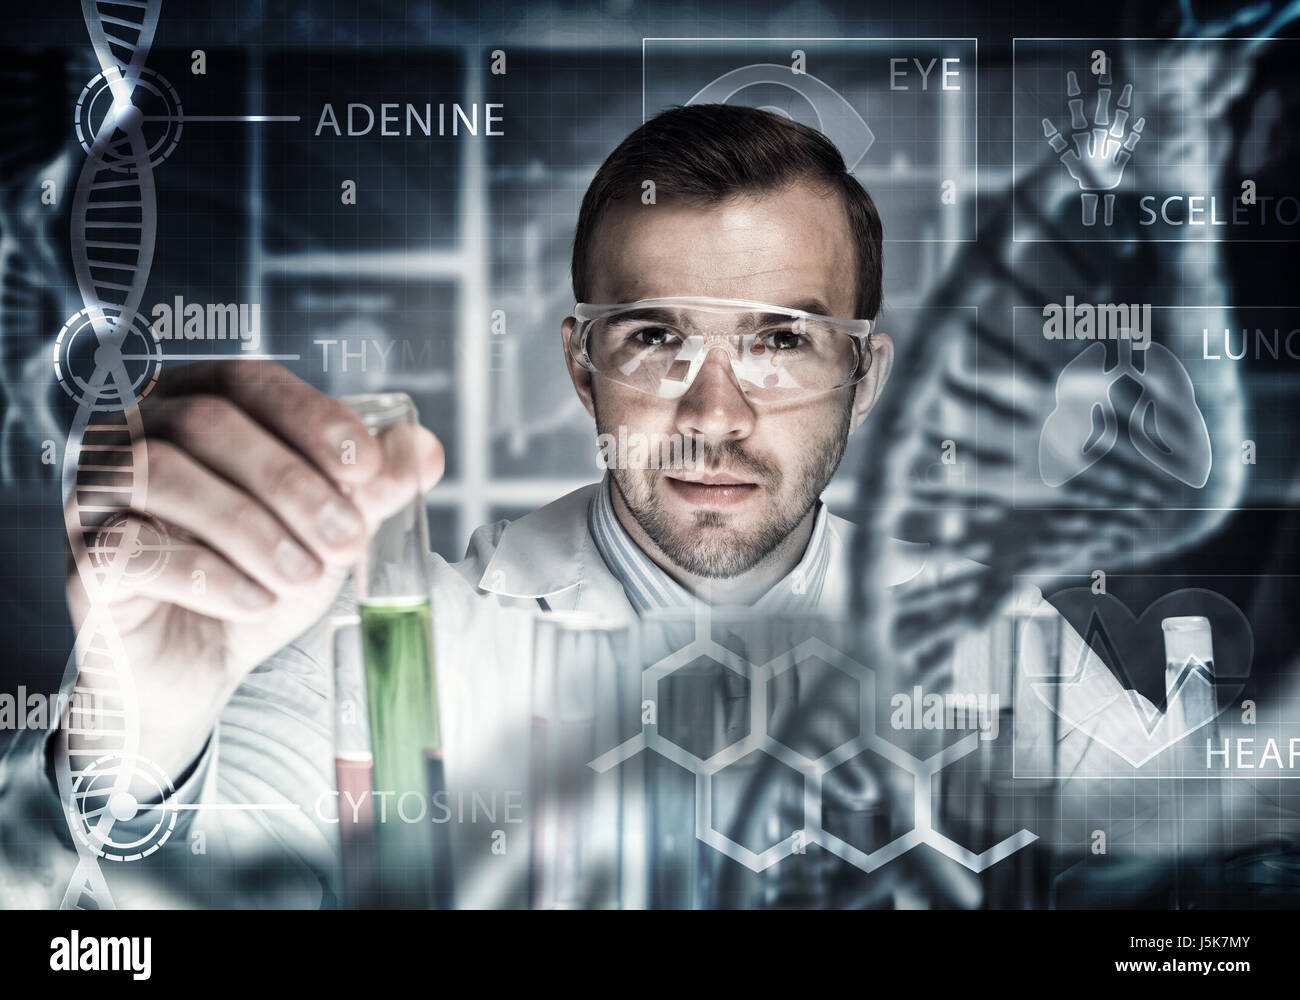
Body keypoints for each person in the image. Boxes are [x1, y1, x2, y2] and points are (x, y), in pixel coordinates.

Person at [29, 104, 1038, 908]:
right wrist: (139, 749)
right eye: (654, 338)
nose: (716, 416)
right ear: (581, 364)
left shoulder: (1002, 643)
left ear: (861, 378)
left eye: (780, 341)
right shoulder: (407, 642)